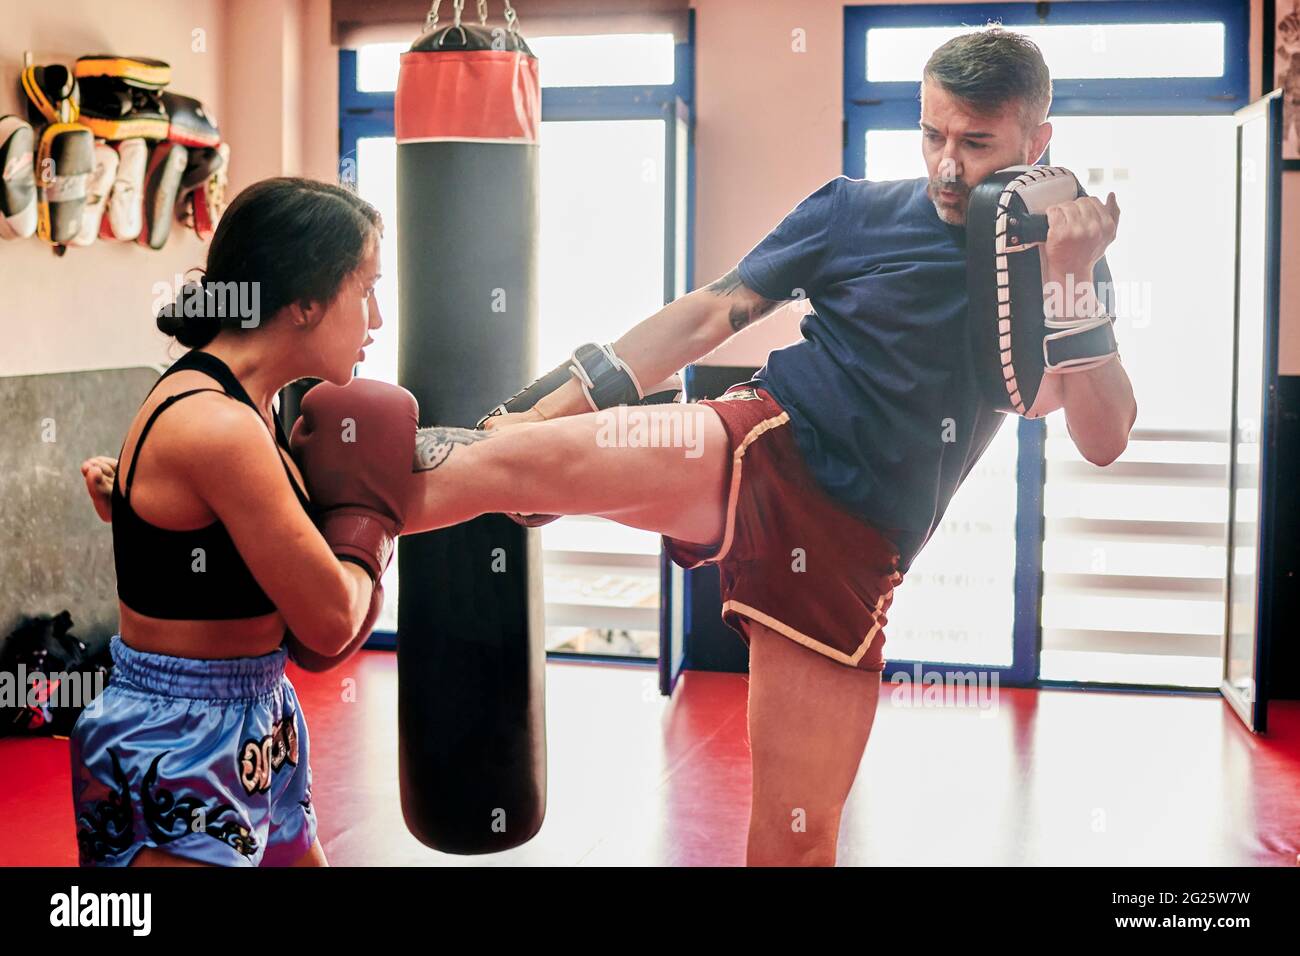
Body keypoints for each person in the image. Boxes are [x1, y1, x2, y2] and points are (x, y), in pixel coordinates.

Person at [75, 176, 393, 867]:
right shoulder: (218, 424)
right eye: (366, 288)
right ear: (305, 302)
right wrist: (375, 520)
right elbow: (332, 622)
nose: (377, 318)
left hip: (260, 707)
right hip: (179, 732)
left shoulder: (257, 402)